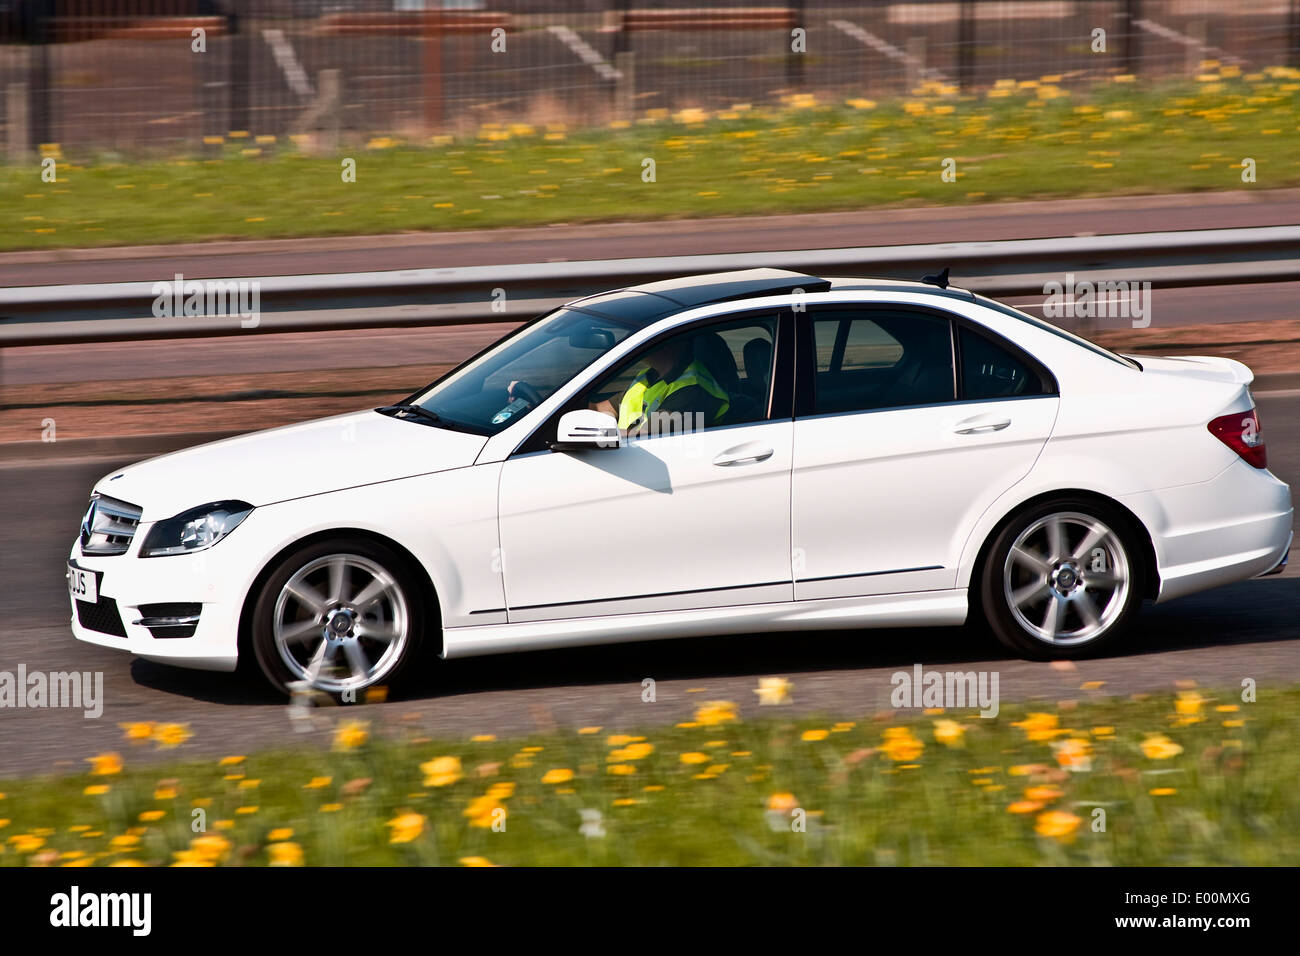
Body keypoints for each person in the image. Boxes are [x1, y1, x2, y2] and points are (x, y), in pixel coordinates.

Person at [596, 336, 730, 437]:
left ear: (667, 342)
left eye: (644, 338)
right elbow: (605, 408)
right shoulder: (650, 375)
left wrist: (599, 434)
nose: (634, 344)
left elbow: (644, 435)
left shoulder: (692, 389)